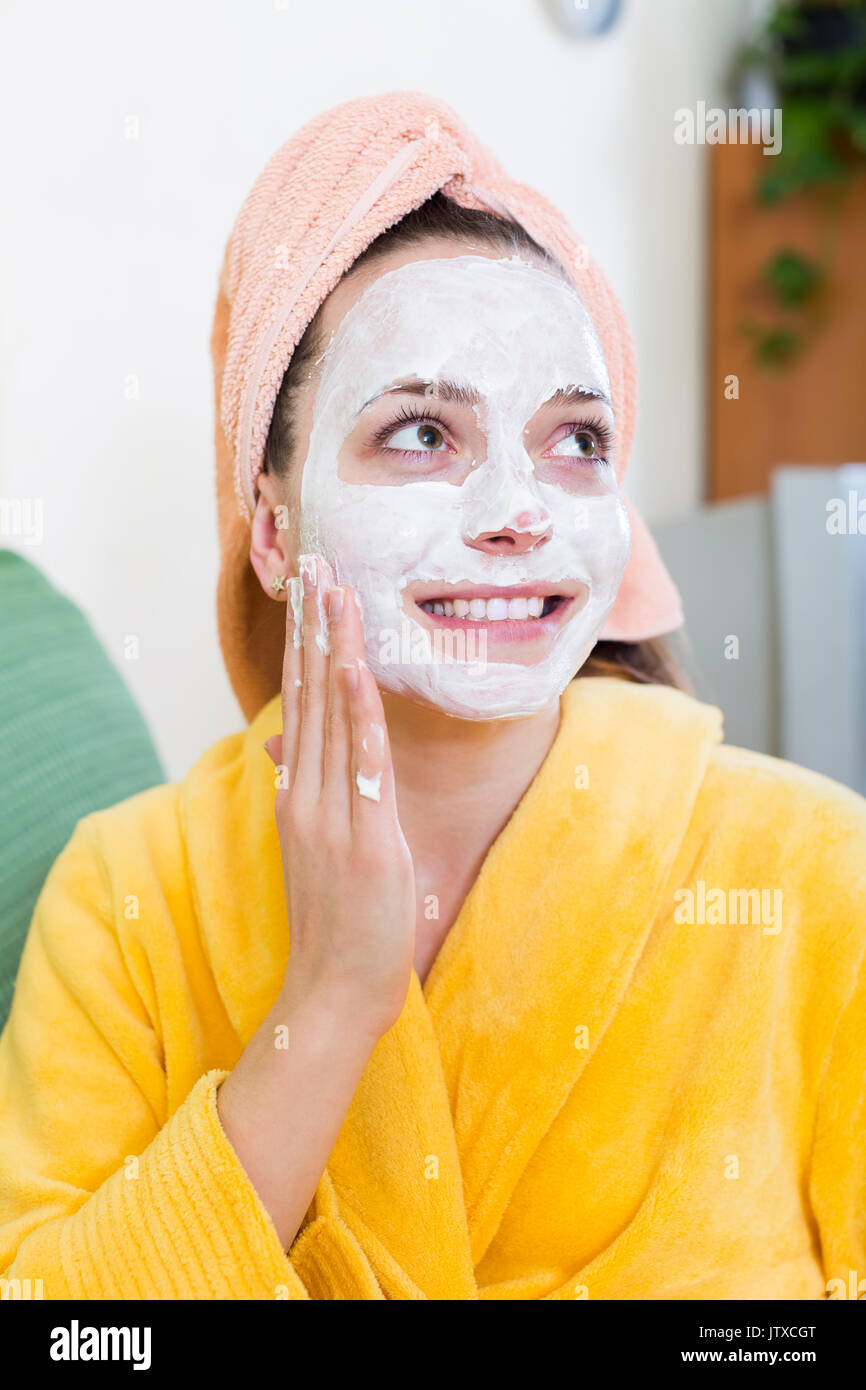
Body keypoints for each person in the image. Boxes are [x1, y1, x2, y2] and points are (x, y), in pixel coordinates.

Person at [1, 92, 864, 1302]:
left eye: (575, 442)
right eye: (419, 434)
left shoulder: (817, 874)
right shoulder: (126, 895)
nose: (520, 508)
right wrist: (330, 1000)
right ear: (269, 528)